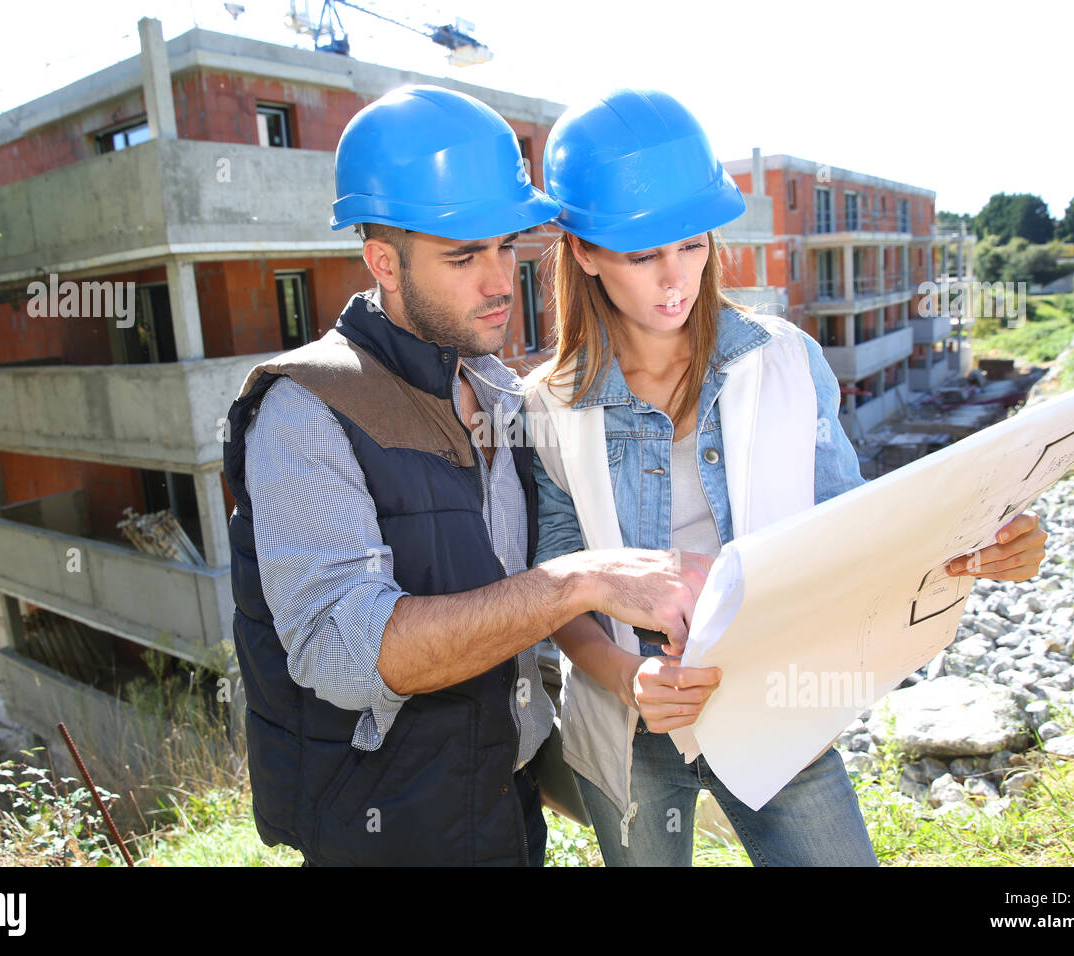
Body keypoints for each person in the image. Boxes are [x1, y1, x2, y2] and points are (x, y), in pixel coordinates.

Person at [523, 88, 1049, 866]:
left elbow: (852, 529)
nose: (677, 280)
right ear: (585, 252)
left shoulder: (786, 360)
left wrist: (977, 544)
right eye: (643, 256)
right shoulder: (546, 405)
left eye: (692, 245)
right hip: (628, 721)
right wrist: (626, 676)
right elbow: (560, 584)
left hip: (776, 706)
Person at [222, 85, 712, 867]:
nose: (496, 280)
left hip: (504, 809)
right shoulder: (306, 409)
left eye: (505, 247)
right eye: (462, 255)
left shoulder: (498, 394)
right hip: (385, 833)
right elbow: (348, 657)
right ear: (382, 260)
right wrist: (578, 579)